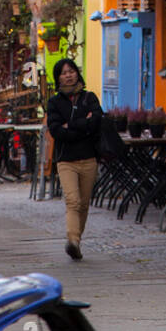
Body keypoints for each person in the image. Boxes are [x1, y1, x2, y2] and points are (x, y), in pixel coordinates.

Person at [46, 57, 102, 260]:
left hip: (88, 158)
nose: (68, 75)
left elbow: (96, 123)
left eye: (71, 71)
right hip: (66, 160)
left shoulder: (90, 98)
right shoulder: (54, 102)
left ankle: (77, 240)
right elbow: (56, 131)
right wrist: (82, 125)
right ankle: (72, 240)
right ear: (58, 78)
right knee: (73, 201)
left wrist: (71, 126)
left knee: (84, 204)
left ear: (77, 73)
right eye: (64, 72)